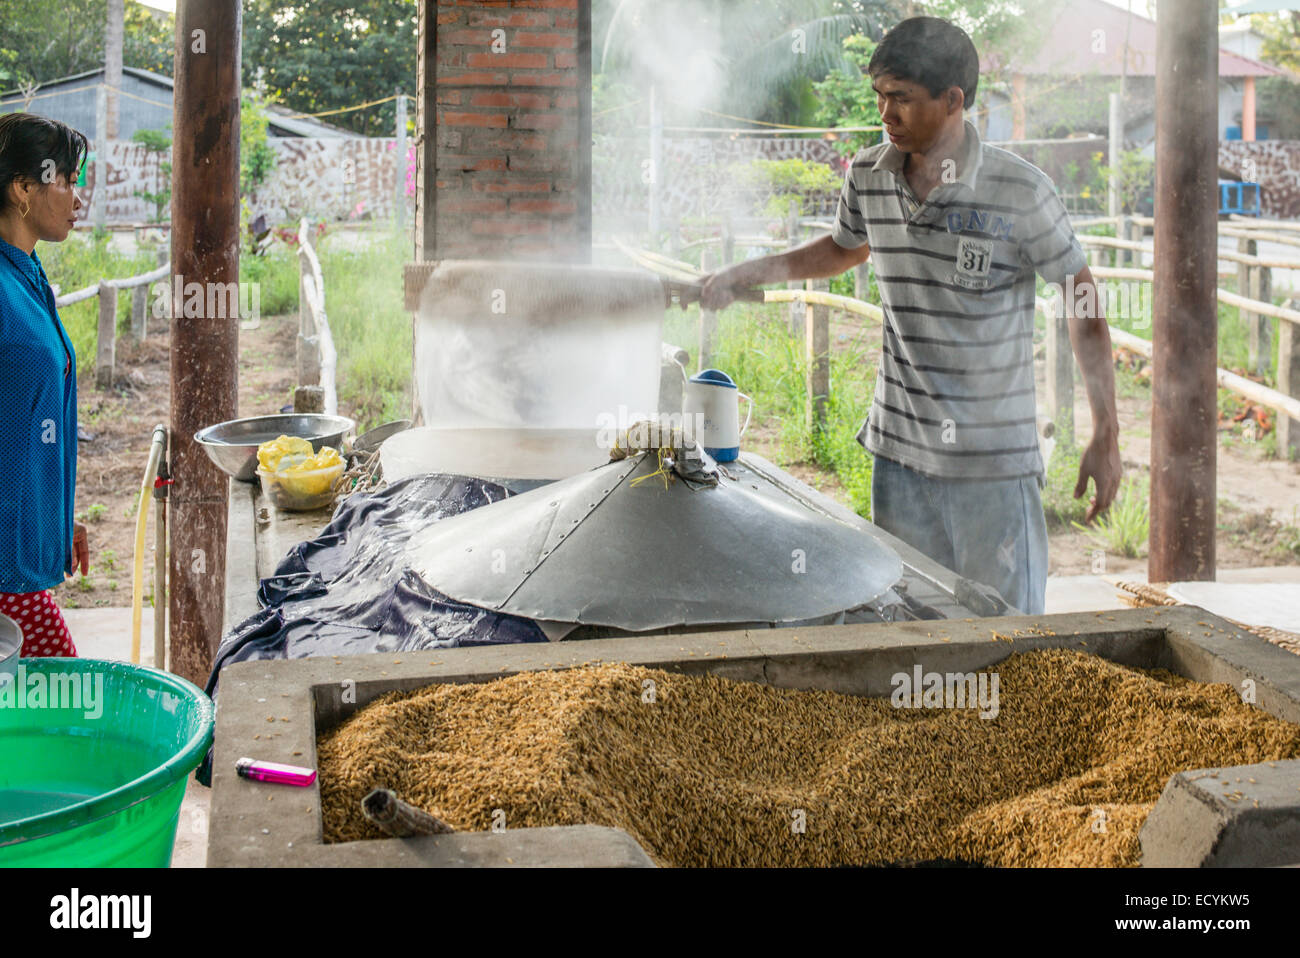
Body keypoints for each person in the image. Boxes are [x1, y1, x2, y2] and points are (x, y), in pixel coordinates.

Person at [700, 16, 1120, 615]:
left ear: (953, 100)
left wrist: (1107, 429)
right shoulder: (870, 175)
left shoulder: (1020, 191)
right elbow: (845, 248)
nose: (885, 114)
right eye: (880, 97)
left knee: (1007, 640)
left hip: (992, 467)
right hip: (897, 457)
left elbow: (1083, 302)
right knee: (908, 629)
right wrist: (751, 272)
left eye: (901, 98)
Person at [0, 112, 92, 656]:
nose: (76, 196)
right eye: (66, 179)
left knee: (31, 721)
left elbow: (28, 420)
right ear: (23, 189)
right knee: (67, 710)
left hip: (21, 551)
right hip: (5, 572)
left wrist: (58, 513)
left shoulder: (27, 275)